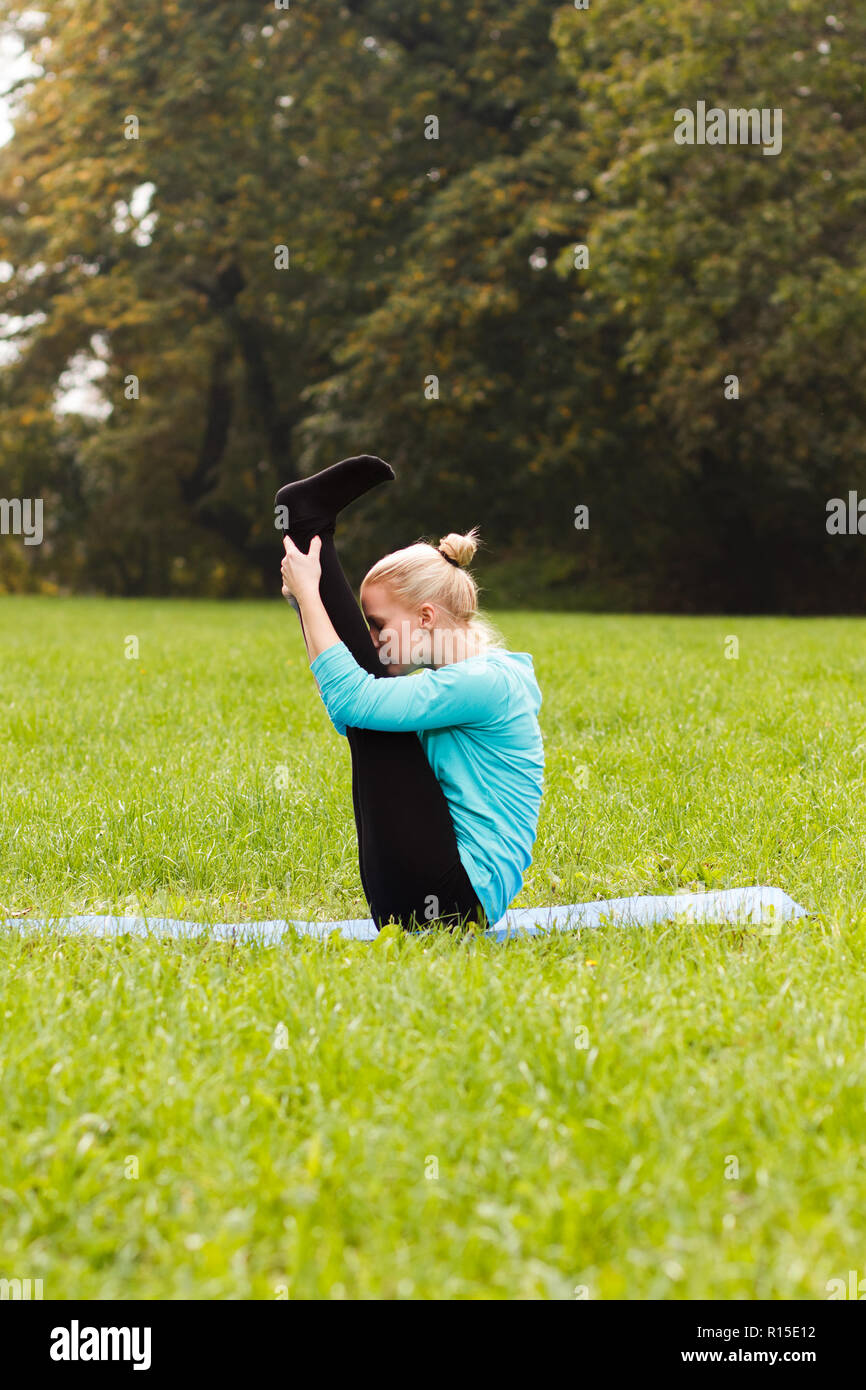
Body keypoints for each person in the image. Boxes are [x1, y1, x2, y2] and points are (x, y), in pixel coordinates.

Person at [276, 454, 544, 933]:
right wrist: (306, 605)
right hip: (422, 895)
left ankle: (308, 522)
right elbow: (352, 718)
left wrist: (312, 597)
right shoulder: (449, 686)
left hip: (451, 900)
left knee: (368, 708)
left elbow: (354, 703)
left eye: (377, 625)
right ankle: (308, 520)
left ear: (425, 617)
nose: (374, 640)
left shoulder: (488, 683)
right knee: (370, 718)